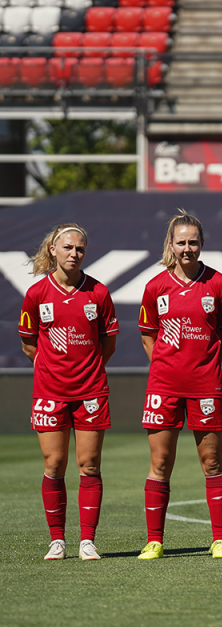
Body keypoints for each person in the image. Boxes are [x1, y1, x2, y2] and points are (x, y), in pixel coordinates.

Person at [136, 211, 222, 560]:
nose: (187, 248)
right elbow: (148, 335)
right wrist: (167, 366)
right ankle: (155, 540)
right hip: (163, 386)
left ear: (202, 244)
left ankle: (220, 540)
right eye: (181, 242)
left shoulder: (219, 284)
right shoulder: (155, 287)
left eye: (193, 242)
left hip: (206, 386)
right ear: (171, 245)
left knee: (211, 461)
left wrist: (204, 364)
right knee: (161, 461)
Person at [18, 224, 118, 561]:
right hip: (50, 391)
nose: (74, 254)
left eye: (79, 249)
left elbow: (108, 344)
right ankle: (57, 540)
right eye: (68, 248)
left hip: (90, 390)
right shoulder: (36, 294)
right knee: (54, 463)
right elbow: (29, 343)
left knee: (89, 464)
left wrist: (85, 369)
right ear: (53, 250)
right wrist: (53, 369)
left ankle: (87, 540)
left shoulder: (98, 293)